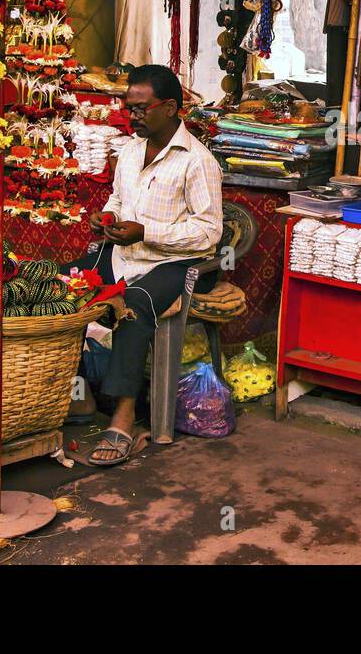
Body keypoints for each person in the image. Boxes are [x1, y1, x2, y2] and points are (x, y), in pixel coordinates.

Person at [64, 64, 223, 467]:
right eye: (127, 106)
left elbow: (208, 233)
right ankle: (79, 396)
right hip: (124, 254)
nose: (131, 114)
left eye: (140, 107)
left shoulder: (197, 161)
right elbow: (118, 200)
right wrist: (108, 218)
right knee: (66, 285)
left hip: (175, 264)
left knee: (132, 305)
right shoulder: (131, 150)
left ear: (170, 108)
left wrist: (147, 232)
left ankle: (125, 416)